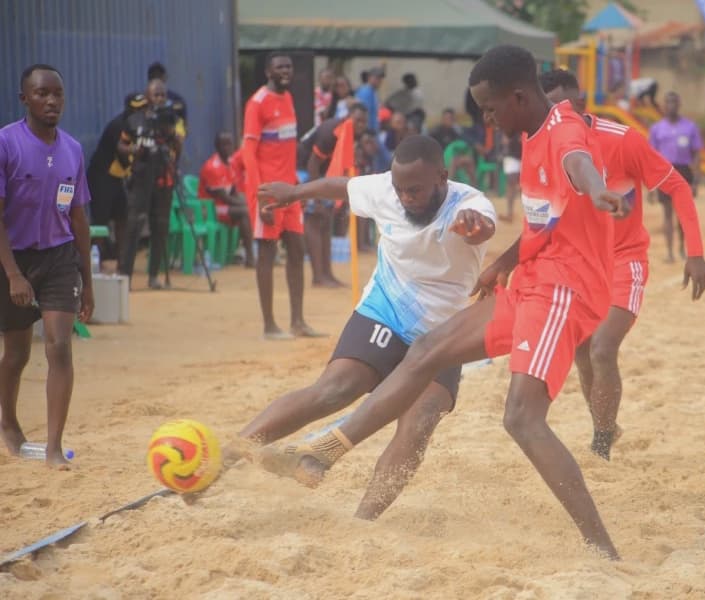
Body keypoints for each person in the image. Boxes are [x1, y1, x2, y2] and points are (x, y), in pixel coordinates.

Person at [257, 45, 629, 559]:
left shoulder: (555, 135)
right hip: (524, 284)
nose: (486, 120)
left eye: (492, 109)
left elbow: (578, 161)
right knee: (422, 352)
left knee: (518, 419)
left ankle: (602, 550)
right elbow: (545, 222)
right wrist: (504, 264)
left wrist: (598, 188)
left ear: (519, 96)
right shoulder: (533, 130)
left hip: (565, 291)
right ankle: (322, 452)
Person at [227, 135, 497, 519]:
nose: (406, 198)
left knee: (419, 424)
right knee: (334, 390)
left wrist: (475, 228)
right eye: (400, 190)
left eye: (416, 190)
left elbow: (484, 227)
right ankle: (228, 454)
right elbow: (340, 185)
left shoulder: (469, 203)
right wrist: (295, 193)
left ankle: (363, 522)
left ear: (442, 176)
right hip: (384, 311)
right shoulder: (387, 189)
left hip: (443, 334)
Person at [541, 68, 705, 460]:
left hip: (624, 260)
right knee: (582, 354)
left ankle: (600, 447)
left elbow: (677, 186)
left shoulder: (623, 141)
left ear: (579, 104)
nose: (549, 116)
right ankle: (607, 427)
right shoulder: (544, 142)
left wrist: (696, 252)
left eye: (555, 106)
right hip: (578, 265)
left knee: (602, 348)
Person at [0, 65, 94, 468]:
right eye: (41, 94)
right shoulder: (7, 143)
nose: (51, 101)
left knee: (59, 347)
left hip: (59, 257)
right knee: (17, 355)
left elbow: (77, 218)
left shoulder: (72, 148)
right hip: (15, 258)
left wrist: (88, 281)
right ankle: (8, 424)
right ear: (25, 98)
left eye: (57, 93)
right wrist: (14, 274)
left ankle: (54, 448)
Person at [242, 52, 320, 339]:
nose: (285, 71)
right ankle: (269, 325)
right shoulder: (257, 104)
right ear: (267, 71)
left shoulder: (288, 98)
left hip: (291, 190)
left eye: (288, 66)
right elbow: (248, 153)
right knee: (267, 252)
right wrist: (261, 196)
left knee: (297, 250)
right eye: (279, 67)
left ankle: (298, 321)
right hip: (269, 192)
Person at [119, 78, 184, 289]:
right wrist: (133, 151)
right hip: (141, 177)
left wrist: (175, 145)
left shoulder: (172, 119)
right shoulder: (134, 120)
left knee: (161, 224)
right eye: (156, 94)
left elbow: (179, 145)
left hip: (164, 178)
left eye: (163, 95)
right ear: (147, 97)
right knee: (134, 224)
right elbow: (122, 144)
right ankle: (125, 277)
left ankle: (154, 276)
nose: (159, 98)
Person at [299, 103, 369, 287]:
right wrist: (316, 196)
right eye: (358, 120)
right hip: (304, 168)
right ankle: (318, 276)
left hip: (324, 172)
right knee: (315, 218)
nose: (361, 125)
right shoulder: (330, 132)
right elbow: (312, 163)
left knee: (326, 219)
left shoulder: (353, 134)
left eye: (364, 122)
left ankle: (327, 273)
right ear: (348, 117)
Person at [86, 93, 147, 267]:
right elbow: (122, 149)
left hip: (118, 178)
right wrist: (136, 149)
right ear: (129, 109)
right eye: (137, 109)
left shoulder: (142, 126)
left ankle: (123, 263)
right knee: (100, 221)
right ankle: (94, 263)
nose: (140, 112)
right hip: (101, 178)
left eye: (143, 108)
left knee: (123, 218)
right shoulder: (119, 125)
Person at [649, 92, 702, 263]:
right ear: (664, 105)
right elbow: (650, 157)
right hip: (664, 172)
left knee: (683, 214)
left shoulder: (690, 127)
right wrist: (650, 184)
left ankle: (681, 248)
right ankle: (669, 251)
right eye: (668, 102)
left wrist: (696, 180)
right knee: (667, 214)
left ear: (679, 104)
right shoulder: (657, 129)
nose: (671, 105)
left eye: (674, 102)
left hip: (684, 171)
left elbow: (696, 155)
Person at [198, 132, 254, 267]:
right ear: (217, 147)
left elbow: (234, 191)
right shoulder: (213, 167)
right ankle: (250, 257)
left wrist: (248, 202)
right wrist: (247, 204)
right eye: (224, 145)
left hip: (223, 206)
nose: (228, 148)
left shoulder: (230, 163)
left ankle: (244, 253)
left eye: (229, 144)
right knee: (245, 211)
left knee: (250, 208)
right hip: (210, 210)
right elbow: (225, 198)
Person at [428, 108, 476, 184]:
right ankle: (448, 184)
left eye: (451, 119)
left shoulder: (454, 132)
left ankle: (474, 186)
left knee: (468, 160)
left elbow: (460, 144)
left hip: (453, 157)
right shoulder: (435, 132)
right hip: (439, 159)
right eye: (447, 118)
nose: (449, 120)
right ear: (442, 119)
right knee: (453, 161)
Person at [500, 130, 522, 222]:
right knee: (511, 183)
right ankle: (509, 213)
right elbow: (504, 140)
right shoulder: (510, 126)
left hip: (523, 156)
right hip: (511, 156)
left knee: (521, 185)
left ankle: (529, 214)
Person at [355, 67, 385, 131]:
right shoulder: (366, 91)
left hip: (372, 130)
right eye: (376, 78)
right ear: (369, 77)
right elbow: (363, 113)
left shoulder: (373, 91)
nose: (379, 81)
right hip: (367, 130)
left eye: (380, 79)